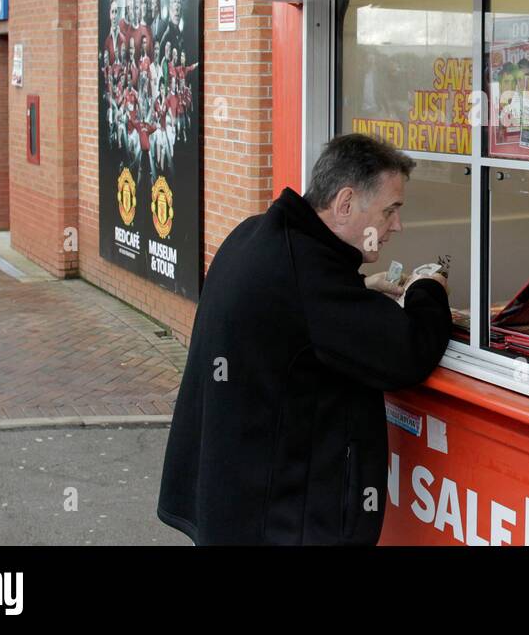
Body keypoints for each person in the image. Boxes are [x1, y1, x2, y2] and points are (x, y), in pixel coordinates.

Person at [157, 133, 451, 545]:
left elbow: (292, 317)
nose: (397, 225)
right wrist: (428, 288)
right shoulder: (312, 279)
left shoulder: (257, 235)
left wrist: (360, 287)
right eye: (391, 210)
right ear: (345, 203)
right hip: (278, 522)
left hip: (228, 502)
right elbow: (409, 352)